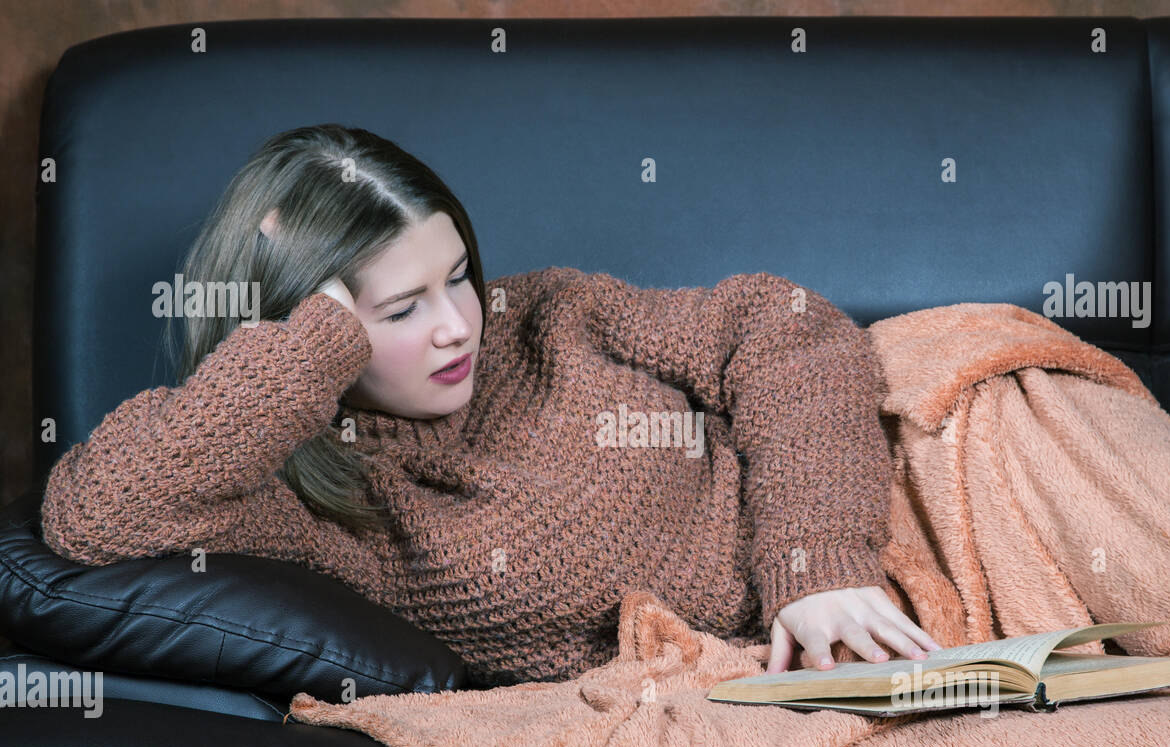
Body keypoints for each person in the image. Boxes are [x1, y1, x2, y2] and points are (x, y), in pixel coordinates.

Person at [40, 123, 938, 688]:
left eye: (457, 275)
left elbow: (786, 326)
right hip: (845, 656)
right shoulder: (310, 510)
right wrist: (315, 336)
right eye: (400, 310)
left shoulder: (540, 314)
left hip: (921, 483)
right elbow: (97, 514)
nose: (455, 327)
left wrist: (816, 562)